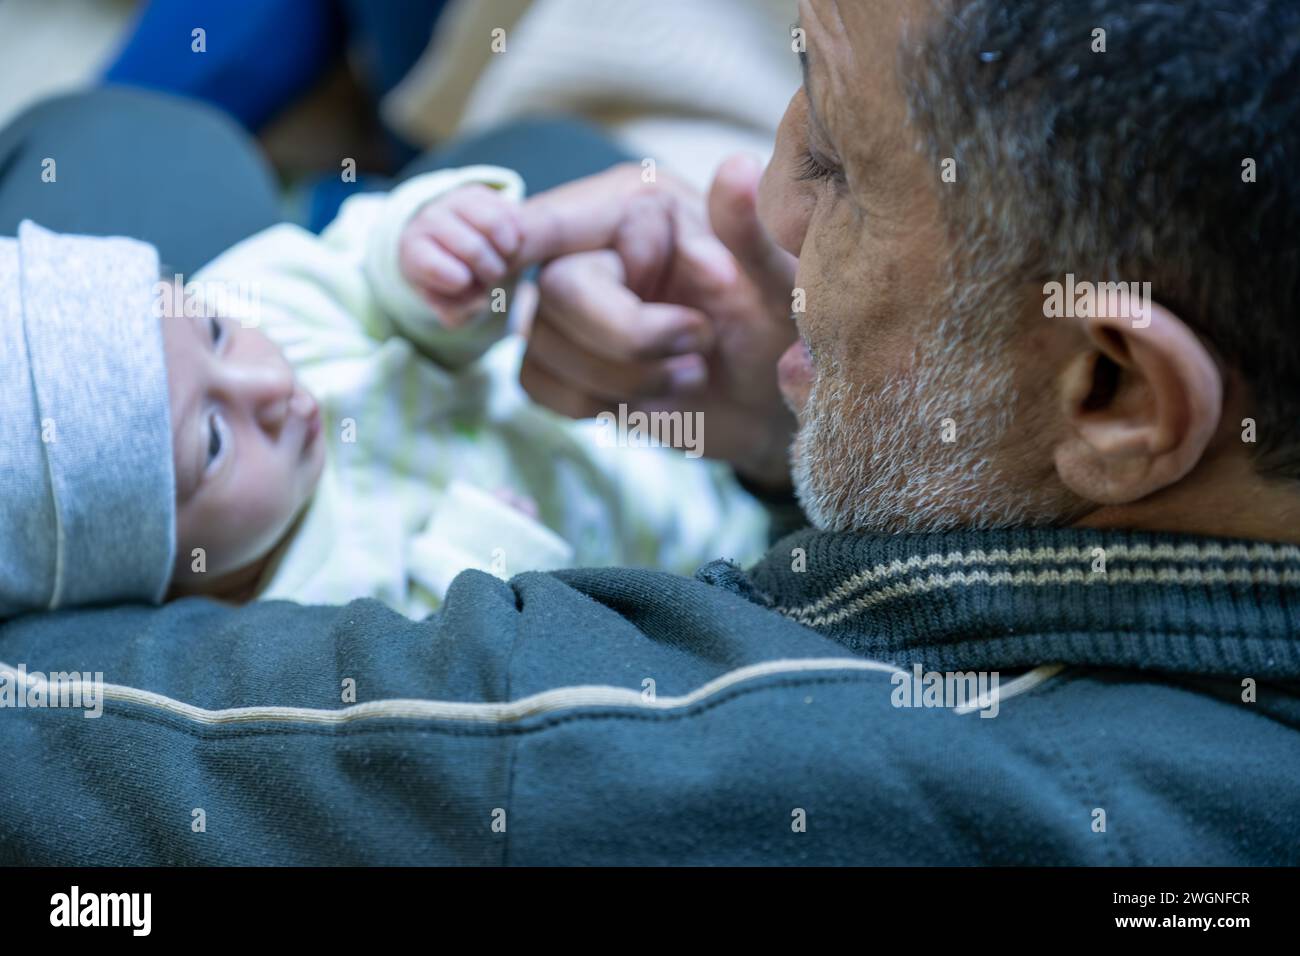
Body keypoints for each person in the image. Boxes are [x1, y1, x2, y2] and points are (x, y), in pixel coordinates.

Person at [2, 0, 1298, 865]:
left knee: (123, 140)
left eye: (838, 164)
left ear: (1116, 397)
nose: (757, 188)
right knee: (544, 146)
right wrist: (787, 421)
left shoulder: (660, 758)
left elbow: (54, 733)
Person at [0, 170, 766, 620]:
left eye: (213, 330)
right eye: (211, 441)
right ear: (164, 572)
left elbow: (360, 259)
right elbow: (447, 683)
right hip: (709, 584)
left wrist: (431, 250)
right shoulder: (300, 611)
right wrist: (476, 563)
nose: (269, 385)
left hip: (674, 411)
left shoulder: (270, 298)